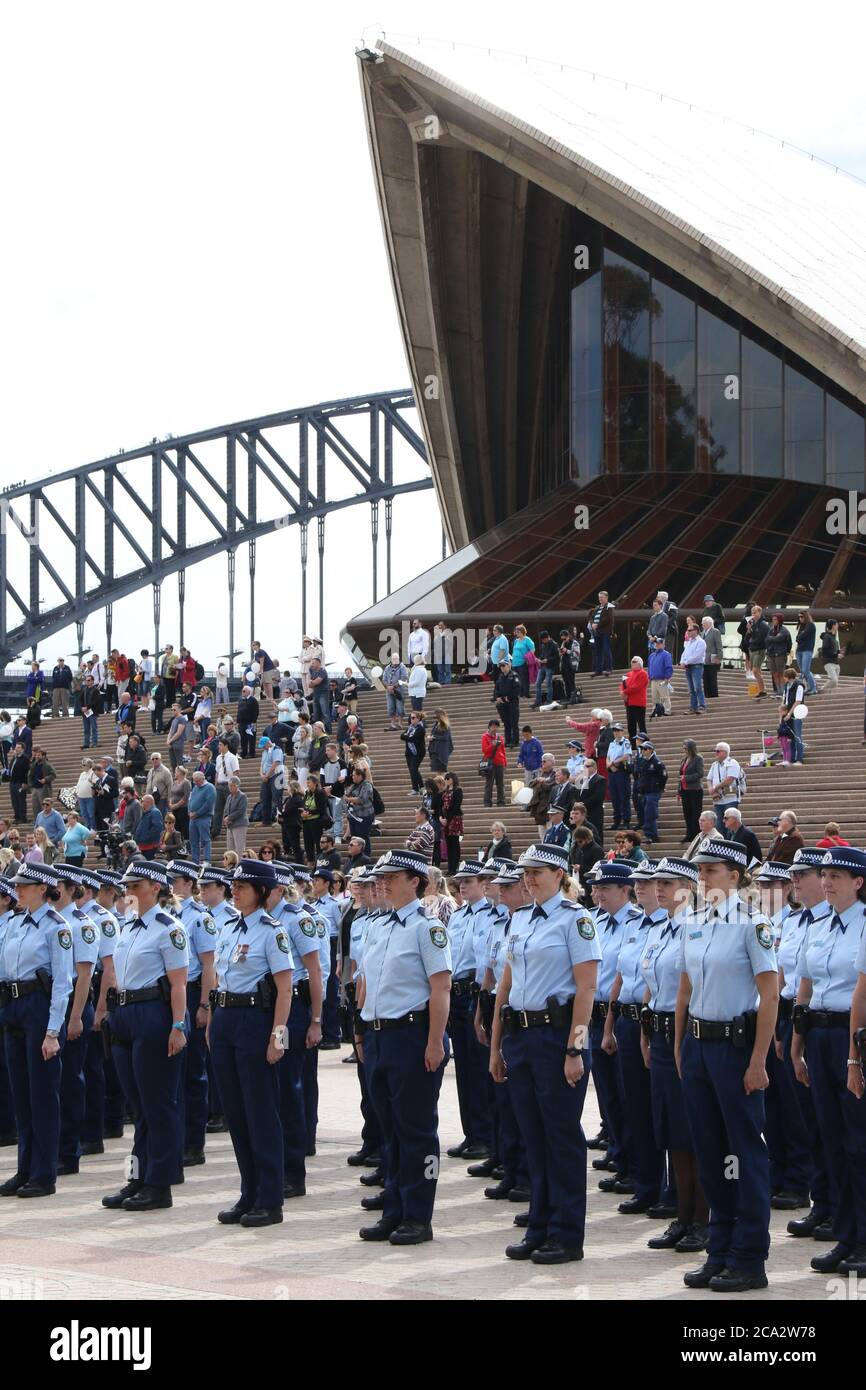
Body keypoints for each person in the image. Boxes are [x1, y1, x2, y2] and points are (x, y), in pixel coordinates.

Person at [674, 838, 778, 1291]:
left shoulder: (752, 925)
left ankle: (749, 1256)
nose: (702, 877)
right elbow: (685, 987)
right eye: (700, 871)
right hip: (699, 1047)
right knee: (710, 1149)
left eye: (711, 870)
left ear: (735, 876)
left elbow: (770, 994)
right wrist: (680, 1045)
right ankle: (719, 1250)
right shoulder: (692, 922)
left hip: (735, 1049)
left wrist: (758, 1058)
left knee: (744, 1152)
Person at [488, 843, 600, 1262]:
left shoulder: (576, 919)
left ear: (560, 874)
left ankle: (567, 1234)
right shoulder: (519, 920)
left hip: (557, 1038)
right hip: (521, 1035)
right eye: (526, 872)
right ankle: (540, 1224)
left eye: (539, 871)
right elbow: (506, 985)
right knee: (533, 1137)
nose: (530, 878)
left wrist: (576, 1047)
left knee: (561, 1138)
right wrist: (497, 1045)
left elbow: (586, 988)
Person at [353, 848, 451, 1244]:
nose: (384, 882)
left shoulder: (426, 929)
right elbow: (365, 985)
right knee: (389, 1129)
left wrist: (434, 1042)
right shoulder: (376, 926)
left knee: (416, 1130)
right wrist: (360, 1034)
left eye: (393, 877)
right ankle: (393, 1209)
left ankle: (418, 1215)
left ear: (415, 881)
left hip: (412, 1035)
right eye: (382, 877)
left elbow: (440, 987)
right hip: (378, 1036)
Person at [792, 846, 866, 1276]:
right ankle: (844, 1232)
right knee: (831, 1138)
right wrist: (798, 1042)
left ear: (858, 882)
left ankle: (863, 1237)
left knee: (858, 1142)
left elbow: (861, 994)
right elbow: (806, 986)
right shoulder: (818, 926)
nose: (827, 881)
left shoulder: (862, 925)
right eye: (825, 874)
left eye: (837, 875)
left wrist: (855, 1057)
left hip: (850, 1037)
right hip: (819, 1034)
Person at [206, 857, 293, 1226]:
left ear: (260, 891)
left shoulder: (271, 930)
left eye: (241, 887)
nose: (235, 892)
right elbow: (218, 981)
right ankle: (249, 1191)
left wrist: (278, 1036)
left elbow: (286, 988)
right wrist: (212, 1021)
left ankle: (270, 1198)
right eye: (234, 887)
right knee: (236, 1112)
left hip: (255, 1019)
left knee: (260, 1112)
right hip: (226, 1017)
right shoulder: (227, 927)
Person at [100, 859, 188, 1212]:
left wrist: (178, 1026)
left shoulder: (169, 928)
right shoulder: (128, 926)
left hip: (153, 1013)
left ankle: (159, 1183)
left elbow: (179, 982)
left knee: (158, 1104)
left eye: (136, 885)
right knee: (137, 1107)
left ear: (155, 887)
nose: (129, 892)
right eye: (127, 887)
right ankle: (137, 1176)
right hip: (124, 1014)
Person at [639, 857, 711, 1250]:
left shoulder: (696, 927)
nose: (659, 888)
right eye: (657, 882)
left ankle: (701, 1218)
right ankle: (681, 1215)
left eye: (668, 882)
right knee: (670, 1130)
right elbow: (652, 984)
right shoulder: (661, 929)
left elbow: (691, 989)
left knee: (692, 1130)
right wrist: (647, 1032)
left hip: (685, 1034)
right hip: (661, 1036)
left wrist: (679, 1036)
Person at [0, 862, 73, 1197]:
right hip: (12, 1006)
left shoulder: (56, 926)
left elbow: (62, 982)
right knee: (21, 1093)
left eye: (25, 885)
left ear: (42, 888)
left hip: (38, 1007)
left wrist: (53, 1031)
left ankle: (44, 1173)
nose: (18, 890)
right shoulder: (15, 923)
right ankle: (25, 1168)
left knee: (42, 1094)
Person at [166, 859, 217, 1166]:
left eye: (175, 880)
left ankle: (193, 1143)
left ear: (188, 882)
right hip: (174, 991)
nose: (171, 886)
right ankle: (178, 1137)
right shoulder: (171, 914)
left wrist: (204, 1004)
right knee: (175, 1071)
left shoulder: (200, 918)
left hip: (195, 990)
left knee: (193, 1073)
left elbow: (209, 963)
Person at [632, 741, 666, 844]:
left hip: (653, 791)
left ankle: (652, 834)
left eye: (645, 749)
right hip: (644, 791)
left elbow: (663, 776)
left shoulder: (657, 762)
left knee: (650, 813)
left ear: (651, 750)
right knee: (646, 812)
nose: (643, 751)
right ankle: (650, 834)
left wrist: (660, 788)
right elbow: (639, 775)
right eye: (642, 749)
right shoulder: (643, 761)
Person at [707, 741, 743, 830]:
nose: (715, 753)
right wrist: (711, 789)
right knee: (719, 825)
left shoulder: (732, 762)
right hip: (718, 799)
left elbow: (730, 779)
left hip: (730, 798)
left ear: (725, 752)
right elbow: (709, 779)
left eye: (718, 751)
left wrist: (715, 788)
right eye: (715, 751)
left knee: (730, 824)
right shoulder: (714, 764)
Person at [678, 739, 704, 842]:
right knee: (687, 813)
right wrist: (678, 791)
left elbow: (700, 773)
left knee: (695, 813)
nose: (684, 750)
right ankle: (689, 834)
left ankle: (696, 835)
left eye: (686, 748)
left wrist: (686, 778)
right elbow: (680, 776)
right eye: (683, 748)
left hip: (695, 790)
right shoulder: (684, 760)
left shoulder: (698, 758)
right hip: (685, 790)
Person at [300, 773, 330, 864]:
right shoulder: (307, 793)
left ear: (315, 783)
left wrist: (309, 812)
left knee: (318, 842)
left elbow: (321, 809)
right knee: (307, 842)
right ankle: (310, 860)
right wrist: (303, 812)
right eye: (307, 783)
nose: (307, 784)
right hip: (306, 821)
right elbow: (304, 805)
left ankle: (319, 860)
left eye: (309, 782)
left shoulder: (320, 792)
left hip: (316, 821)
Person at [439, 772, 463, 876]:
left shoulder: (458, 791)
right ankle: (450, 868)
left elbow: (456, 807)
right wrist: (441, 817)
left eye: (447, 778)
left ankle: (454, 867)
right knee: (448, 844)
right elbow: (441, 806)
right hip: (445, 819)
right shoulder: (445, 792)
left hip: (454, 819)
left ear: (452, 779)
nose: (446, 780)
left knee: (455, 844)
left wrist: (447, 819)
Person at [680, 626, 707, 714]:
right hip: (688, 667)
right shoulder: (689, 642)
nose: (688, 632)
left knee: (697, 687)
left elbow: (697, 655)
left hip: (697, 667)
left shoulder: (701, 642)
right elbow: (684, 653)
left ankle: (702, 706)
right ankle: (693, 707)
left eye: (690, 630)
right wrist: (682, 661)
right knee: (691, 689)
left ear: (696, 631)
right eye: (687, 630)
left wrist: (686, 662)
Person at [481, 719, 507, 809]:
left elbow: (503, 751)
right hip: (489, 763)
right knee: (489, 783)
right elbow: (485, 750)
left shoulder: (500, 737)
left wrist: (505, 762)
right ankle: (487, 802)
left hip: (500, 762)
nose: (495, 728)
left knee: (500, 784)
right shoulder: (485, 736)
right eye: (493, 726)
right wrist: (492, 745)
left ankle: (501, 802)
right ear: (489, 727)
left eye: (496, 726)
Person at [587, 592, 614, 677]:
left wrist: (597, 625)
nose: (600, 599)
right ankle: (598, 670)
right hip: (597, 632)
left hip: (605, 632)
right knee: (598, 651)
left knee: (606, 649)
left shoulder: (609, 607)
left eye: (602, 597)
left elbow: (608, 619)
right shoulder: (597, 607)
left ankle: (609, 668)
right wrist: (592, 624)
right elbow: (591, 617)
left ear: (606, 598)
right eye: (599, 597)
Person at [621, 656, 649, 740]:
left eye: (635, 661)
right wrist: (622, 692)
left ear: (640, 664)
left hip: (639, 702)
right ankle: (632, 743)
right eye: (632, 661)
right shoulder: (629, 674)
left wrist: (624, 692)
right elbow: (623, 684)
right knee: (631, 724)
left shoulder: (643, 673)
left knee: (641, 724)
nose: (632, 663)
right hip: (629, 702)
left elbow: (637, 687)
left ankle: (644, 741)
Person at [766, 614, 793, 695]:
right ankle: (778, 691)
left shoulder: (784, 630)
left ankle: (783, 691)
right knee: (774, 674)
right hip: (771, 654)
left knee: (781, 674)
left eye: (775, 619)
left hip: (780, 654)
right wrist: (772, 639)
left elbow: (782, 640)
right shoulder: (771, 630)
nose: (773, 621)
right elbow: (767, 639)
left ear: (779, 620)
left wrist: (772, 639)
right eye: (773, 619)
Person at [401, 711, 426, 796]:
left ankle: (421, 787)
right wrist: (407, 737)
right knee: (413, 770)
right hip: (409, 752)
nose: (411, 719)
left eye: (413, 718)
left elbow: (413, 739)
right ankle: (416, 788)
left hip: (418, 753)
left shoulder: (421, 729)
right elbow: (401, 736)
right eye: (410, 718)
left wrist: (406, 736)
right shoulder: (410, 727)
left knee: (414, 769)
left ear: (418, 719)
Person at [381, 653, 408, 732]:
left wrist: (394, 687)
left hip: (399, 690)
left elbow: (404, 678)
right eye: (394, 659)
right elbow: (384, 679)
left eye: (397, 659)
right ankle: (392, 724)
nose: (395, 660)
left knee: (400, 708)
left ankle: (400, 724)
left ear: (399, 659)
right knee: (390, 708)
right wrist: (388, 686)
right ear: (391, 660)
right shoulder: (387, 668)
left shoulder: (402, 667)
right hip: (389, 691)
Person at [648, 636, 673, 717]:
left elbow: (669, 667)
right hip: (653, 679)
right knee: (654, 697)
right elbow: (649, 667)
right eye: (656, 643)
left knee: (664, 696)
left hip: (662, 679)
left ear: (663, 645)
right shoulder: (652, 655)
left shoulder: (666, 654)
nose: (657, 645)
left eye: (659, 643)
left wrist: (667, 677)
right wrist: (649, 677)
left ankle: (667, 710)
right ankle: (655, 710)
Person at [134, 795, 163, 861]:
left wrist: (146, 839)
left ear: (148, 802)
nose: (140, 803)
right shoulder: (146, 813)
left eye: (142, 801)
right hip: (143, 846)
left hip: (150, 847)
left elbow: (157, 828)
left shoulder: (155, 812)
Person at [700, 617, 723, 699]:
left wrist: (719, 657)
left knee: (712, 679)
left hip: (712, 659)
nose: (702, 624)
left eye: (704, 622)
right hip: (704, 660)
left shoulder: (715, 631)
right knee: (705, 679)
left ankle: (714, 696)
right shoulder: (702, 633)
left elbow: (719, 646)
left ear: (709, 623)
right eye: (702, 622)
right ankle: (707, 695)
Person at [427, 709, 453, 774]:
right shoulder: (435, 724)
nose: (435, 718)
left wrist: (434, 737)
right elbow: (433, 734)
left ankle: (441, 783)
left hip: (441, 751)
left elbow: (445, 737)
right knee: (436, 770)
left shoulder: (445, 725)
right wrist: (430, 737)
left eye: (436, 716)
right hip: (434, 750)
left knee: (441, 770)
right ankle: (438, 783)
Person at [820, 620, 840, 689]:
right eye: (837, 624)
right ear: (833, 626)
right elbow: (825, 650)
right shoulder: (827, 637)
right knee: (834, 680)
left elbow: (833, 650)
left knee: (834, 684)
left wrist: (839, 652)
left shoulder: (834, 637)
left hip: (836, 662)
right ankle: (822, 690)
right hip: (829, 662)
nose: (838, 626)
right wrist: (836, 655)